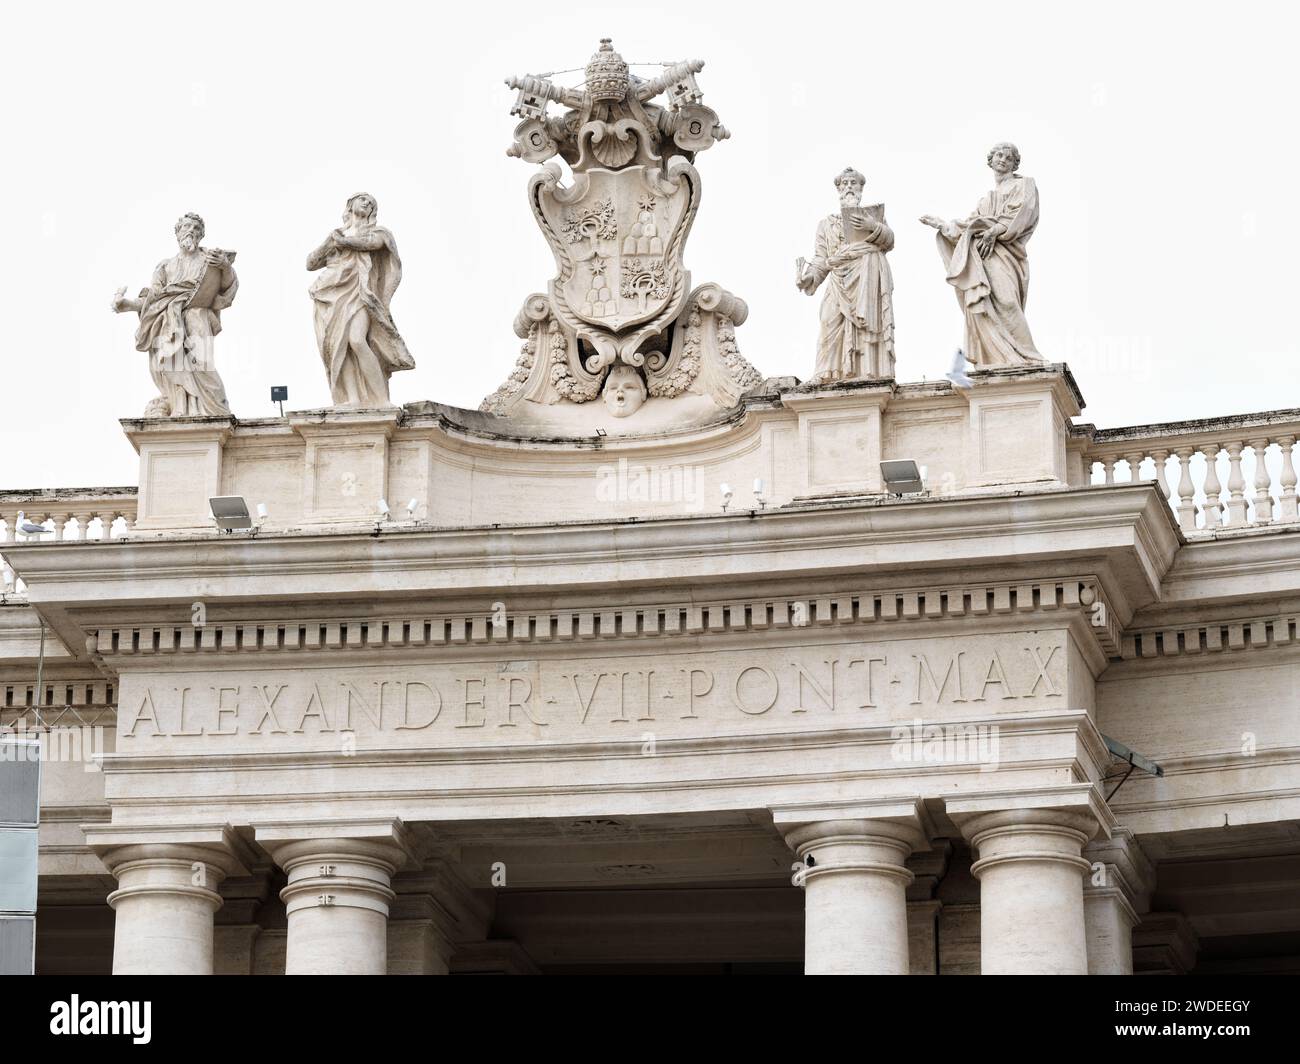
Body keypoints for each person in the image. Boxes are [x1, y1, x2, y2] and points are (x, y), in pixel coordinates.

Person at [920, 143, 1043, 366]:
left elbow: (1024, 213)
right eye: (999, 155)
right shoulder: (987, 199)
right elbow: (968, 227)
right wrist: (943, 225)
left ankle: (1028, 356)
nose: (1003, 159)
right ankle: (997, 358)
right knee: (985, 304)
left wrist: (994, 231)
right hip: (983, 257)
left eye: (1008, 157)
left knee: (1007, 301)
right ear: (991, 160)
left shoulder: (1024, 184)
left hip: (1006, 254)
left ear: (1015, 163)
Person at [111, 212, 235, 417]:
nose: (191, 231)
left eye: (196, 228)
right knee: (172, 362)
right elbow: (153, 300)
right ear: (178, 233)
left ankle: (214, 409)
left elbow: (227, 289)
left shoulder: (210, 260)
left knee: (202, 364)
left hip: (197, 315)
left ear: (202, 234)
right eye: (186, 227)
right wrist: (128, 304)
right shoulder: (165, 266)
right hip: (168, 320)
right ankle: (181, 408)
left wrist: (225, 266)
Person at [307, 193, 414, 407]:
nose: (367, 202)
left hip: (360, 292)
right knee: (340, 345)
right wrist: (330, 241)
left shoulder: (378, 232)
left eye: (371, 202)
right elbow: (310, 263)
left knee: (356, 339)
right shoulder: (337, 234)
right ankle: (353, 398)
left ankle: (382, 399)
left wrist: (343, 242)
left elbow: (373, 244)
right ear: (350, 204)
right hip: (331, 293)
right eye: (362, 199)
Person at [796, 167, 895, 381]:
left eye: (854, 183)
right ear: (839, 189)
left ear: (860, 188)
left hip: (867, 275)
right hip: (838, 278)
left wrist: (872, 226)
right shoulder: (826, 224)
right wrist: (810, 277)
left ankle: (868, 372)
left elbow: (889, 241)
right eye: (845, 184)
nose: (849, 187)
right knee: (828, 320)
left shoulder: (872, 217)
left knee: (867, 323)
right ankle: (827, 374)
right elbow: (821, 258)